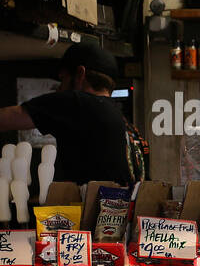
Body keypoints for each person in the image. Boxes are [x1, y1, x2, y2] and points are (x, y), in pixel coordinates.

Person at [0, 41, 139, 186]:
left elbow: (8, 118)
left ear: (80, 74)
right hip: (122, 206)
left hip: (96, 207)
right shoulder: (123, 122)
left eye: (63, 79)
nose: (59, 89)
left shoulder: (78, 103)